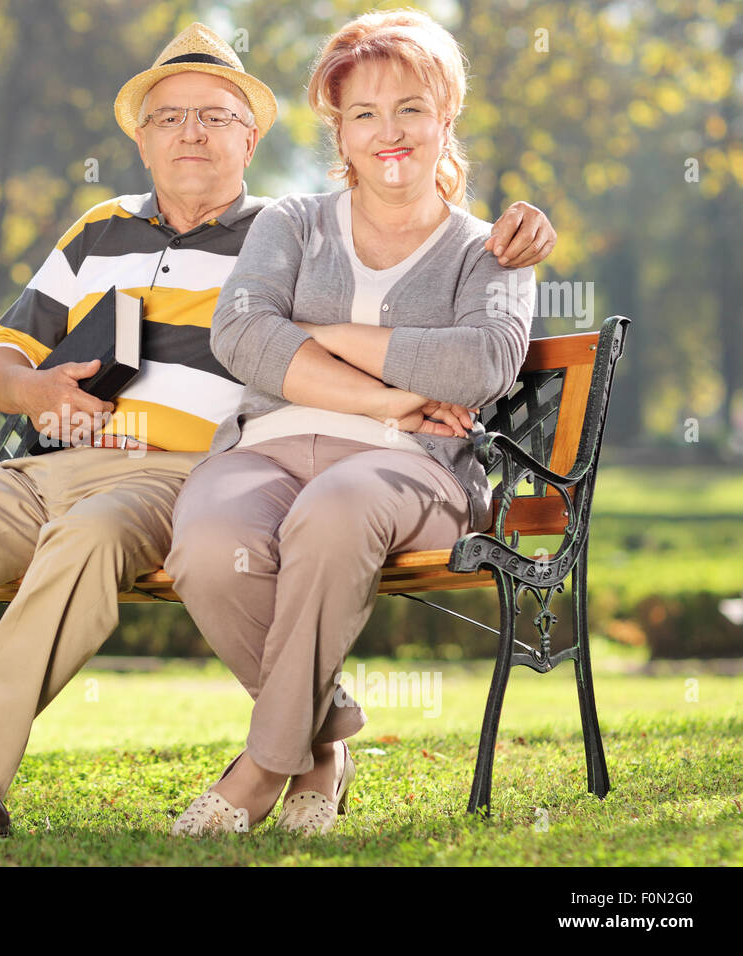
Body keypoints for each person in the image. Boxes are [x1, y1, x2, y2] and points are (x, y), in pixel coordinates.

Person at [0, 21, 554, 837]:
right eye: (169, 118)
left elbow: (416, 281)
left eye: (215, 115)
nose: (191, 133)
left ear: (252, 138)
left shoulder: (284, 229)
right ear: (140, 140)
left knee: (93, 537)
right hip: (61, 465)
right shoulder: (99, 229)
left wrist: (518, 226)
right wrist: (36, 393)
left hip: (178, 473)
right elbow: (1, 357)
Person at [165, 8, 539, 837]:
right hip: (267, 449)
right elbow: (239, 333)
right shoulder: (291, 224)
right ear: (340, 130)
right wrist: (390, 393)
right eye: (363, 113)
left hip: (415, 467)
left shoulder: (491, 251)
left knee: (334, 510)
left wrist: (324, 337)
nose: (389, 132)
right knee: (204, 544)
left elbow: (482, 362)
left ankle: (262, 769)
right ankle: (324, 745)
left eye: (410, 107)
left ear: (446, 115)